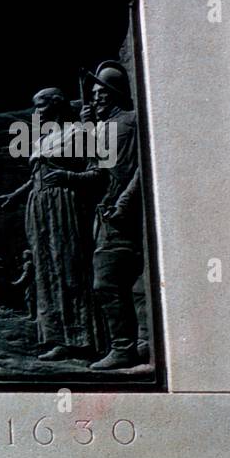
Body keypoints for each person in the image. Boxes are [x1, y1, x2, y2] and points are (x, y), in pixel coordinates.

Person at [43, 61, 145, 370]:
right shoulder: (106, 127)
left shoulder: (126, 124)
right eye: (93, 93)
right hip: (109, 211)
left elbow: (108, 173)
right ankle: (140, 343)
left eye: (100, 93)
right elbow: (96, 167)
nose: (94, 99)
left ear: (114, 95)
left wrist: (67, 177)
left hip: (117, 211)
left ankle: (124, 349)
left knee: (108, 283)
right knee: (131, 281)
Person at [0, 86, 103, 360]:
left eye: (40, 106)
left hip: (64, 204)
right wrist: (15, 195)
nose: (36, 112)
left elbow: (98, 173)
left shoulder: (79, 133)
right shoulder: (44, 138)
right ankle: (57, 339)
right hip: (38, 206)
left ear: (57, 105)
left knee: (69, 266)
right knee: (46, 270)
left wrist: (67, 176)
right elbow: (37, 175)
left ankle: (83, 339)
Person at [9, 249, 37, 320]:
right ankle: (33, 314)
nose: (23, 256)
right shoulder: (30, 263)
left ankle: (31, 315)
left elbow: (25, 275)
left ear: (27, 255)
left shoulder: (28, 264)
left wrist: (17, 282)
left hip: (31, 284)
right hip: (32, 283)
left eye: (24, 254)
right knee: (31, 298)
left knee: (29, 298)